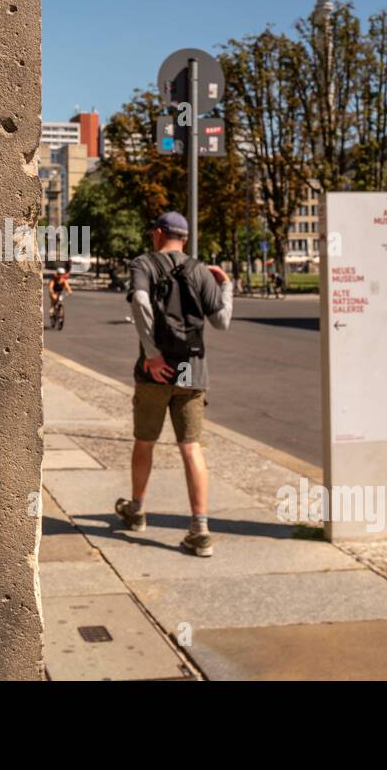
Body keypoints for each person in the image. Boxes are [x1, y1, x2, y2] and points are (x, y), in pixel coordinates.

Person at [116, 212, 233, 557]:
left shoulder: (144, 264)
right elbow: (221, 322)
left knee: (145, 441)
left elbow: (139, 301)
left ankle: (136, 510)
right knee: (190, 446)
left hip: (155, 371)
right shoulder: (200, 270)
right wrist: (225, 285)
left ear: (157, 233)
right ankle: (199, 529)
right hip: (189, 370)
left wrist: (153, 354)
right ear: (185, 238)